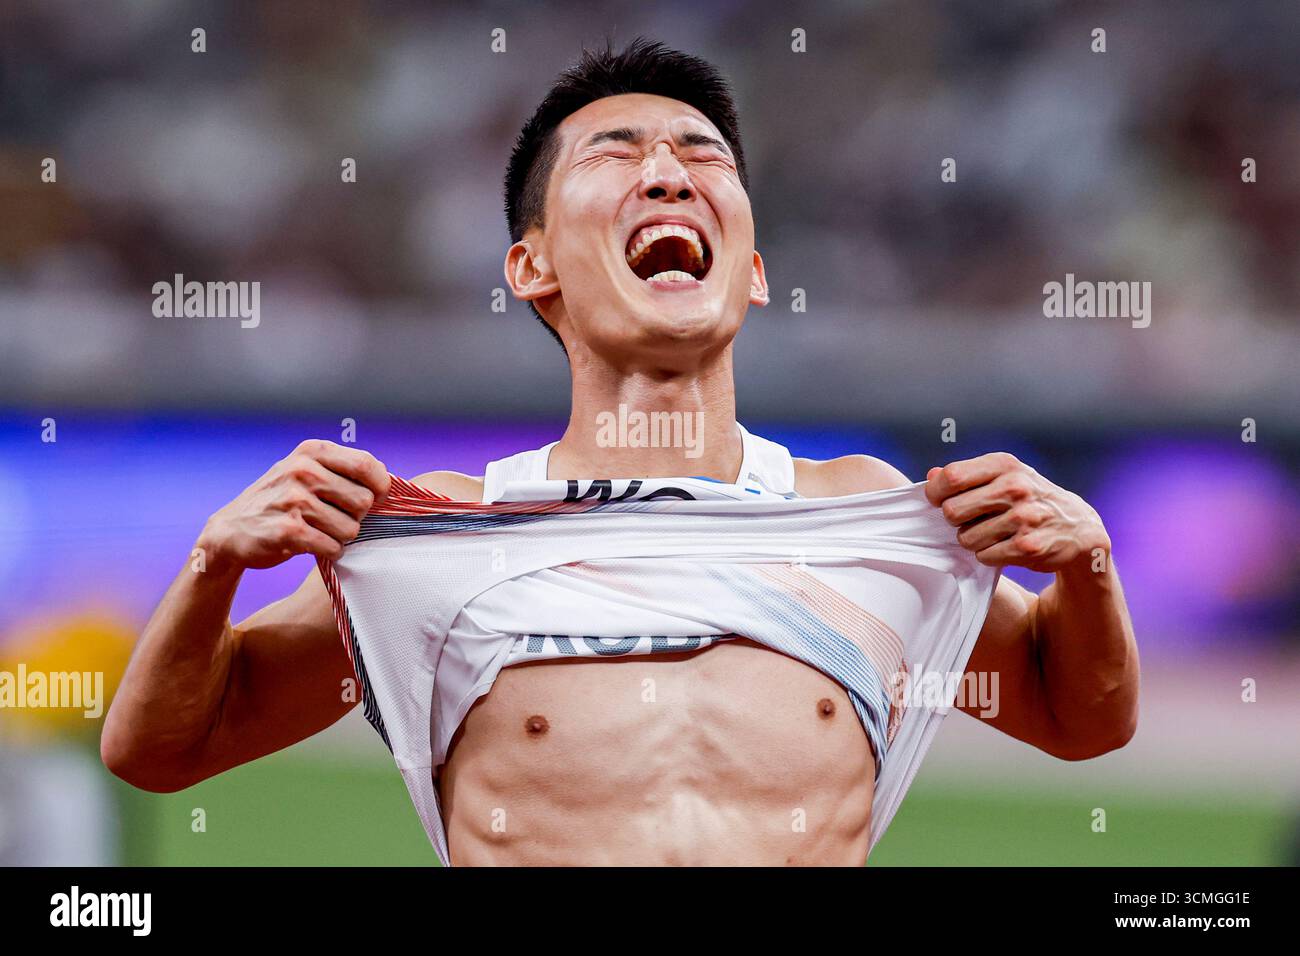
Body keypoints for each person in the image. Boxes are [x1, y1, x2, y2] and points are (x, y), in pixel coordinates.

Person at [101, 38, 1138, 866]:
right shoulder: (442, 538)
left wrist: (1087, 564)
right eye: (615, 153)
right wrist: (213, 565)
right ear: (531, 264)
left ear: (756, 270)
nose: (666, 174)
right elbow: (160, 748)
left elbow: (1074, 717)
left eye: (702, 156)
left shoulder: (869, 517)